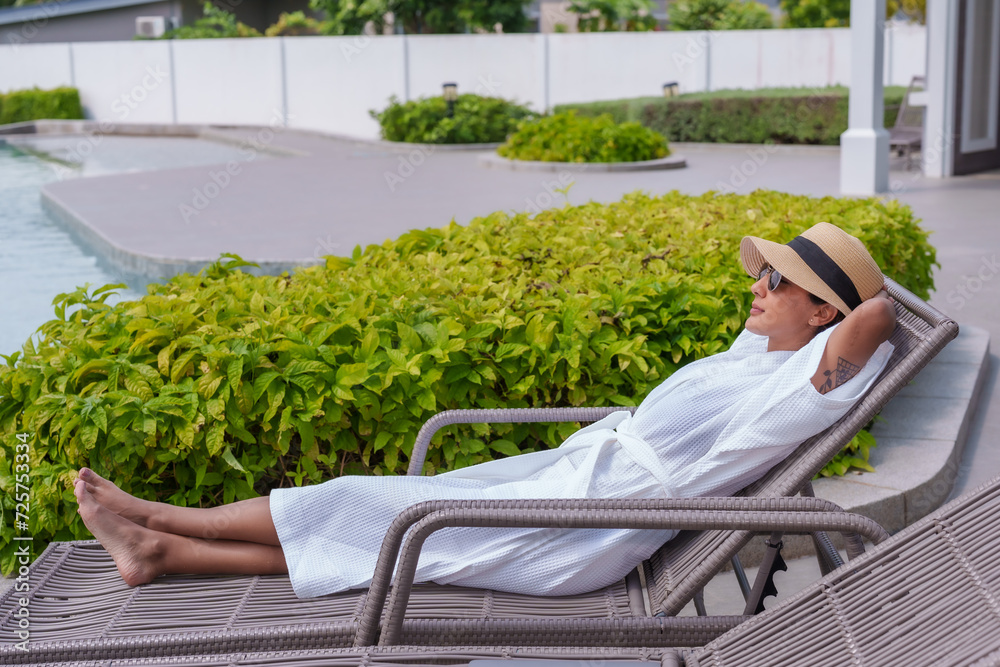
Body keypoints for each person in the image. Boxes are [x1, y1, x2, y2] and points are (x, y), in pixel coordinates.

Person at [73, 222, 897, 598]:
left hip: (591, 521)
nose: (758, 286)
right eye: (766, 273)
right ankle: (157, 551)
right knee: (386, 542)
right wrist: (810, 295)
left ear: (824, 313)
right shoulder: (758, 355)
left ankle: (159, 517)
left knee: (366, 503)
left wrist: (860, 296)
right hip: (576, 488)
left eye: (780, 281)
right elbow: (839, 322)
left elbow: (877, 319)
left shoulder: (793, 392)